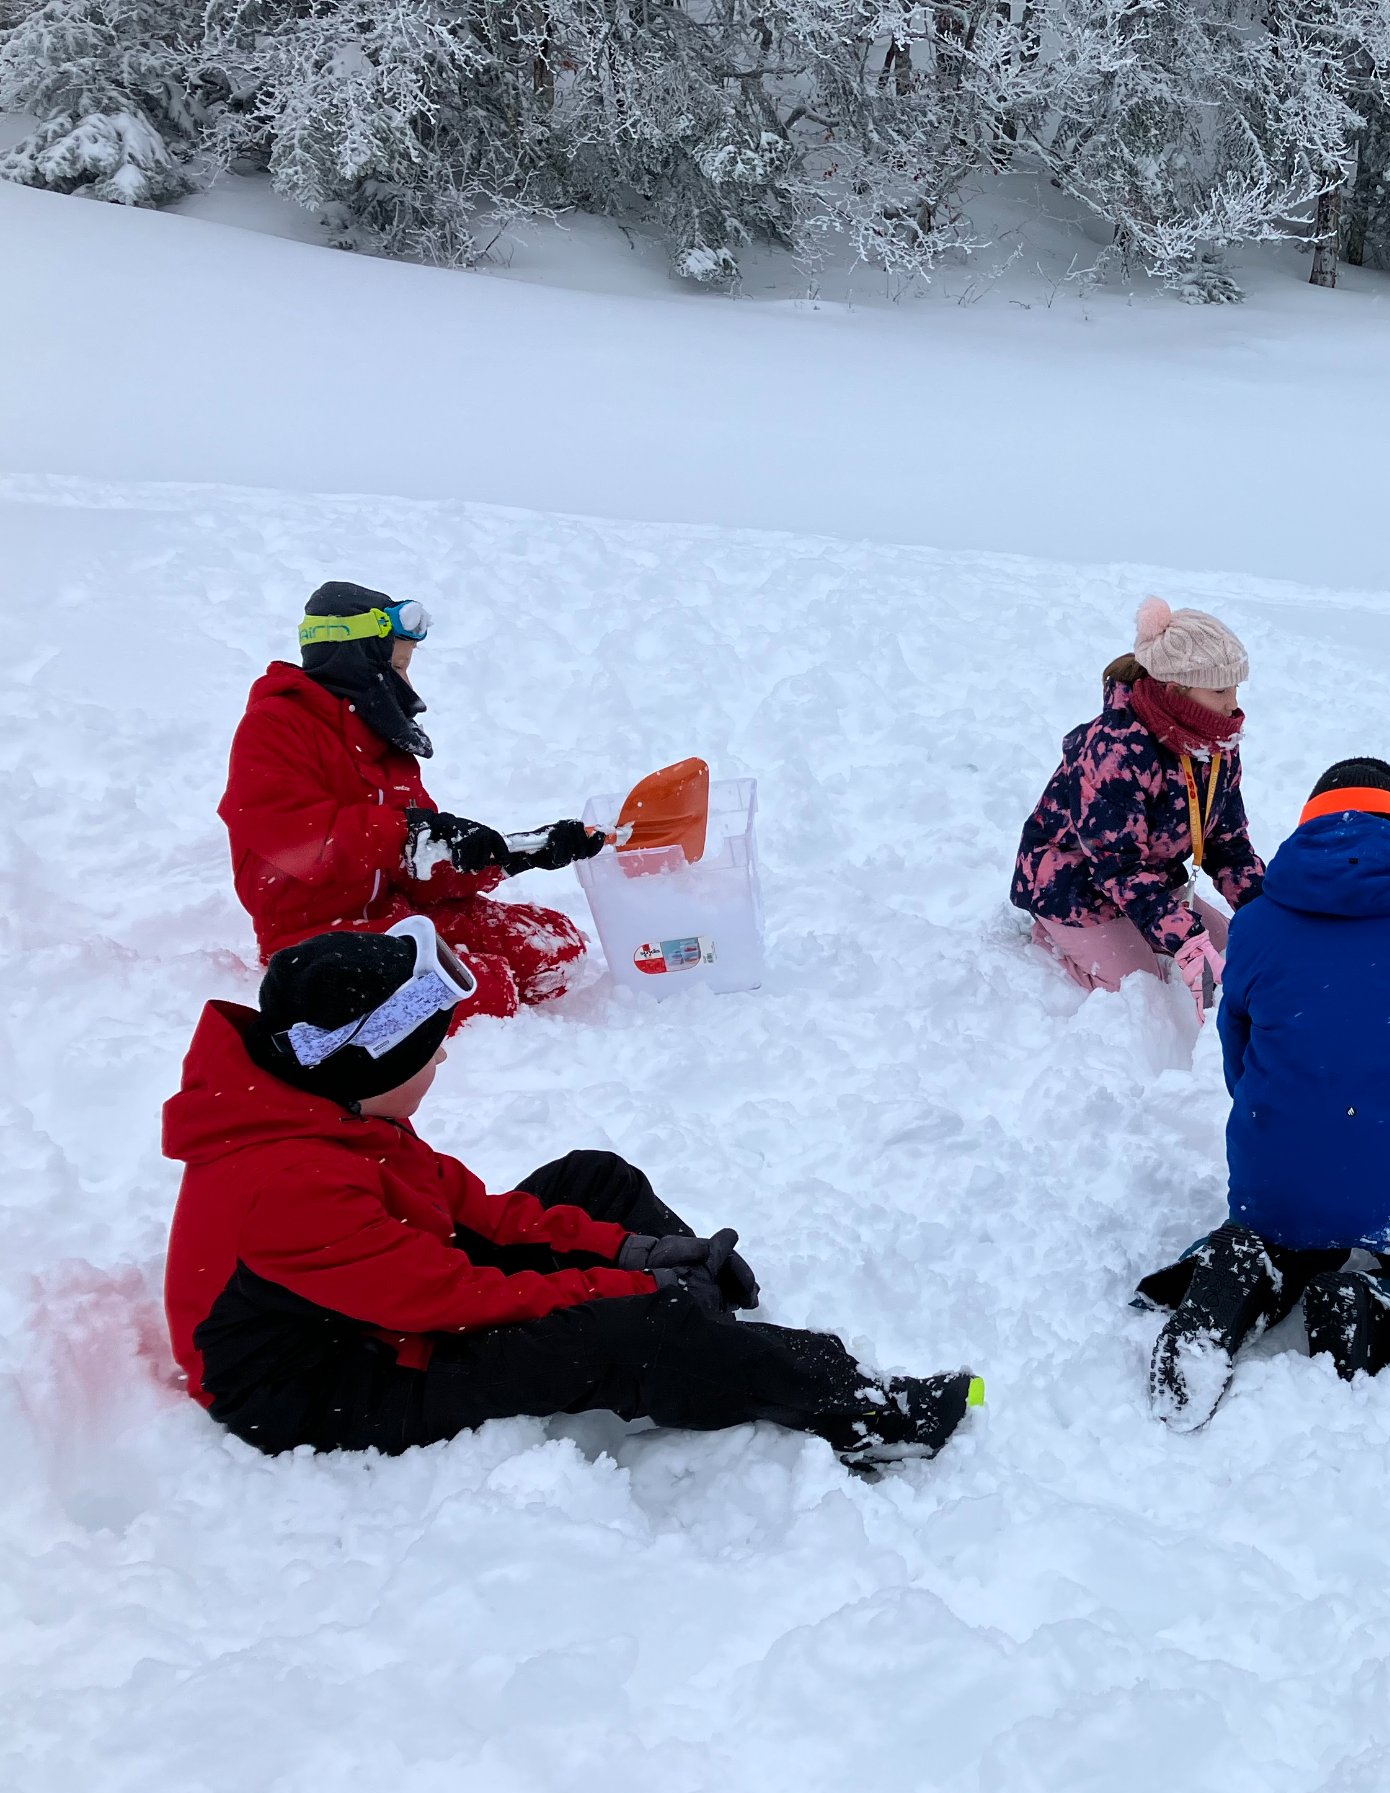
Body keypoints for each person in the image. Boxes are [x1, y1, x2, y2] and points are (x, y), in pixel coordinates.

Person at [162, 916, 978, 1462]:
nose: (443, 1060)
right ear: (373, 1064)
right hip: (328, 1380)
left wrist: (639, 1250)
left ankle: (711, 1334)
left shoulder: (329, 1100)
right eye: (430, 1049)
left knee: (594, 1181)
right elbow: (453, 1296)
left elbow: (469, 1211)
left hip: (372, 1299)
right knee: (631, 1332)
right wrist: (635, 1292)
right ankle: (861, 1411)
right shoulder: (291, 1185)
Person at [1137, 761, 1390, 1427]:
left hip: (1274, 1179)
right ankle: (1383, 1317)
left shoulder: (1255, 927)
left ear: (1309, 825)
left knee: (1296, 1218)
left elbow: (1241, 1063)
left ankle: (1247, 1263)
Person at [220, 580, 607, 1024]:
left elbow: (421, 871)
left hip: (398, 916)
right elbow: (295, 837)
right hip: (316, 941)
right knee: (486, 987)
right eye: (398, 667)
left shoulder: (385, 746)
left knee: (553, 946)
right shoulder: (275, 724)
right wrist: (413, 834)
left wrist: (514, 852)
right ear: (356, 661)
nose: (406, 683)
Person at [1011, 597, 1263, 1015]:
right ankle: (1051, 937)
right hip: (1071, 883)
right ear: (1175, 690)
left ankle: (1143, 929)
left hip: (1150, 880)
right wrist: (1182, 936)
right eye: (1219, 689)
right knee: (1143, 985)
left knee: (1240, 949)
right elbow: (1117, 865)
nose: (1232, 703)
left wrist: (1264, 912)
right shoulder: (1116, 748)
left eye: (1236, 687)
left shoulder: (1216, 744)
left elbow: (1228, 843)